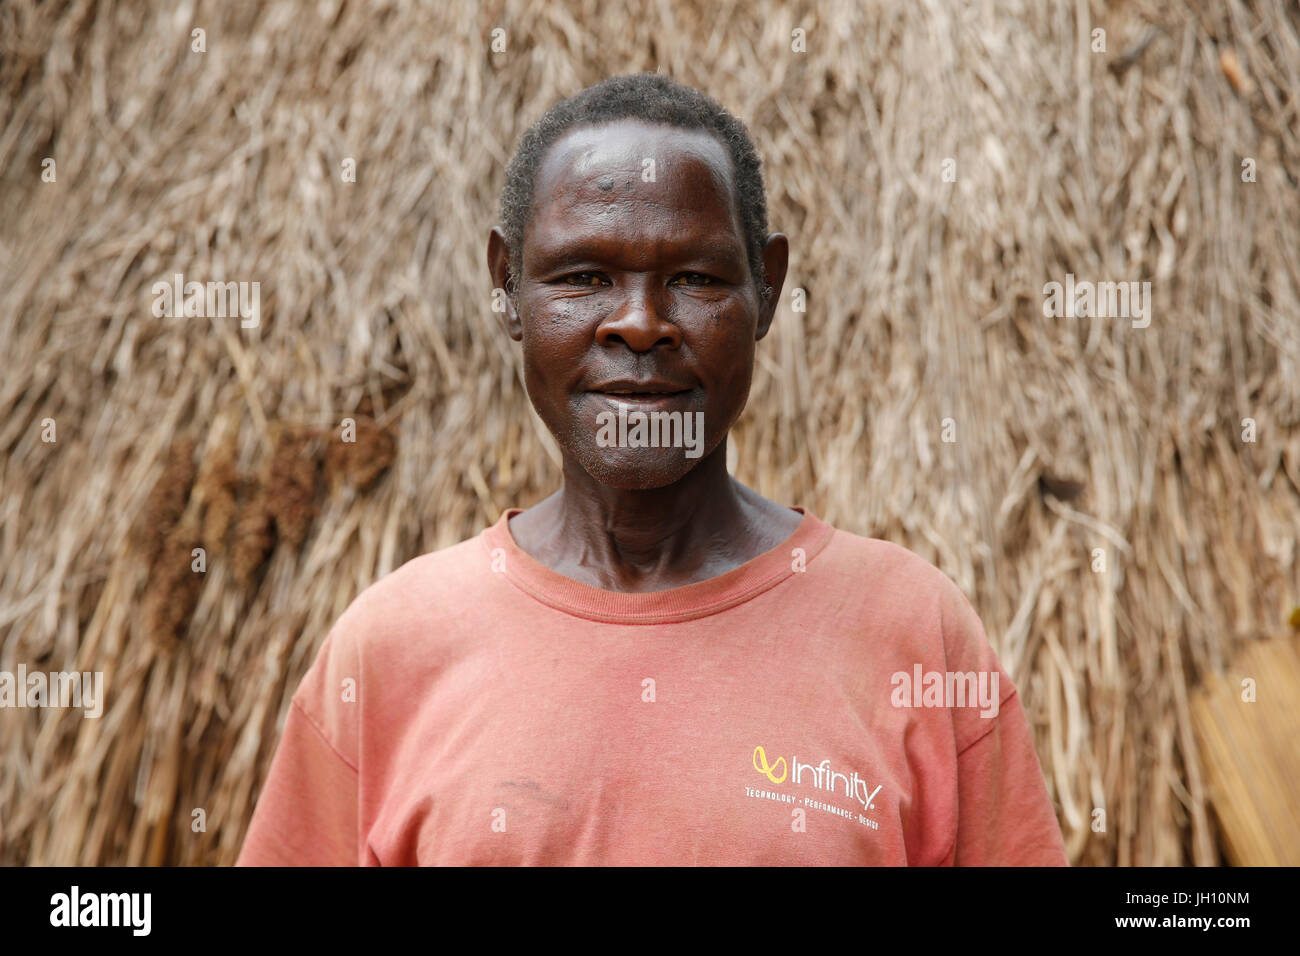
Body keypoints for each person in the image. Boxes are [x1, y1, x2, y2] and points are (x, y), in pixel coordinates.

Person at [237, 72, 1068, 866]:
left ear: (767, 292)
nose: (640, 325)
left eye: (696, 278)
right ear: (507, 288)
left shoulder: (913, 634)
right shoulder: (390, 650)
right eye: (584, 276)